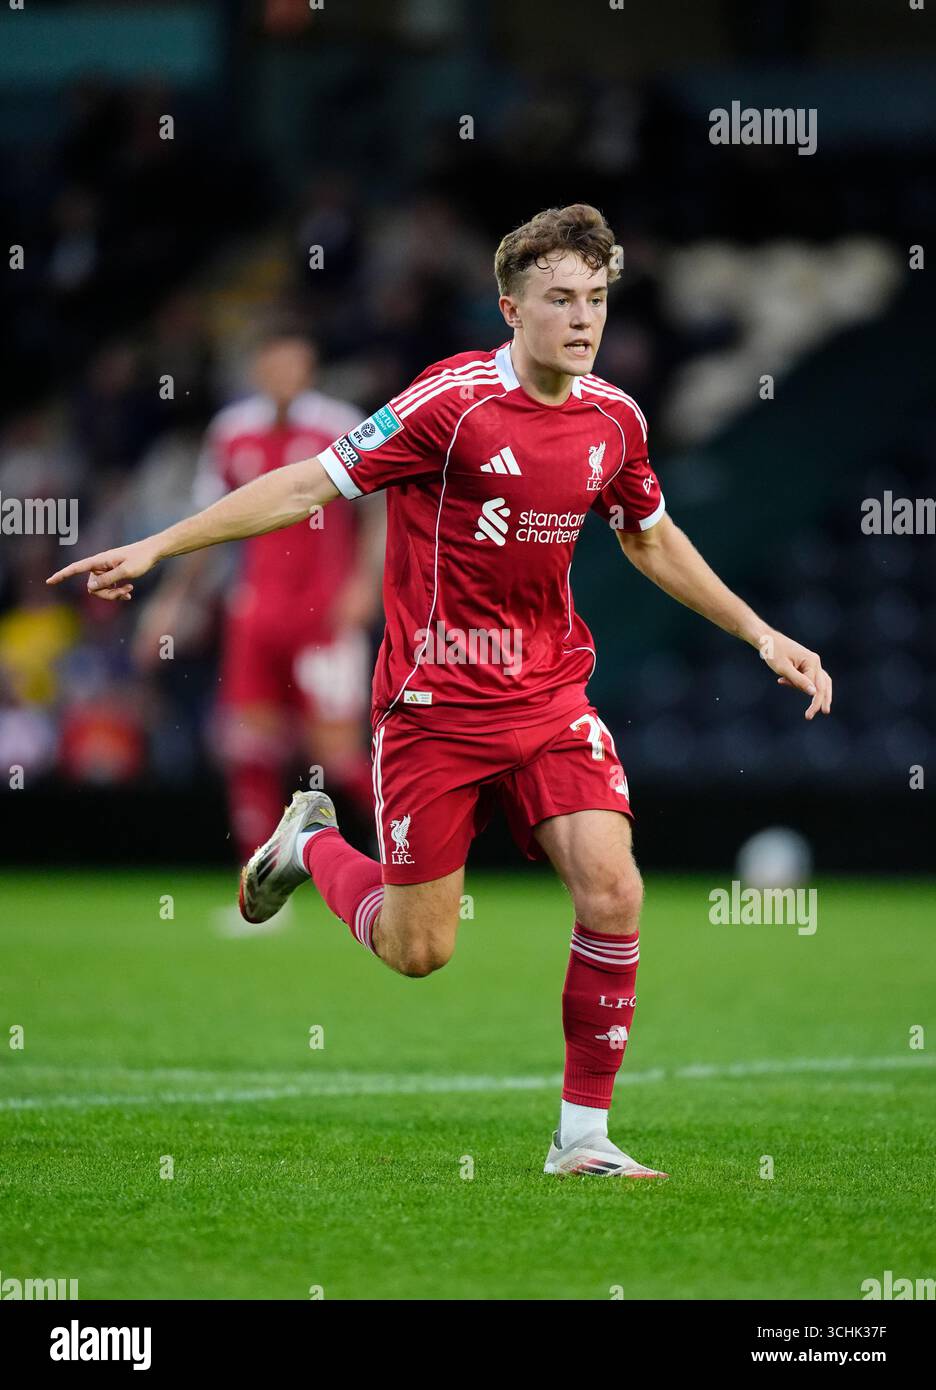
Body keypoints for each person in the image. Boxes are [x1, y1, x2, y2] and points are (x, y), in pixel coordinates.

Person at [48, 204, 832, 1178]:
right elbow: (305, 488)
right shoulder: (445, 405)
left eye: (594, 298)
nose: (582, 318)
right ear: (511, 306)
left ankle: (580, 1138)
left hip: (550, 694)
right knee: (419, 949)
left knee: (614, 888)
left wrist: (760, 631)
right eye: (560, 299)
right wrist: (163, 545)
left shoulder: (614, 418)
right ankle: (310, 843)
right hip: (435, 705)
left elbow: (649, 537)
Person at [133, 329, 384, 863]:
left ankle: (406, 865)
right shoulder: (231, 432)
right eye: (274, 366)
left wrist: (365, 584)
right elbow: (208, 525)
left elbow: (377, 512)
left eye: (294, 366)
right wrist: (172, 600)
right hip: (254, 614)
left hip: (324, 616)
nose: (284, 377)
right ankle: (259, 885)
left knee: (337, 756)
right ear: (258, 370)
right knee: (248, 749)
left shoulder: (339, 425)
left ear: (309, 370)